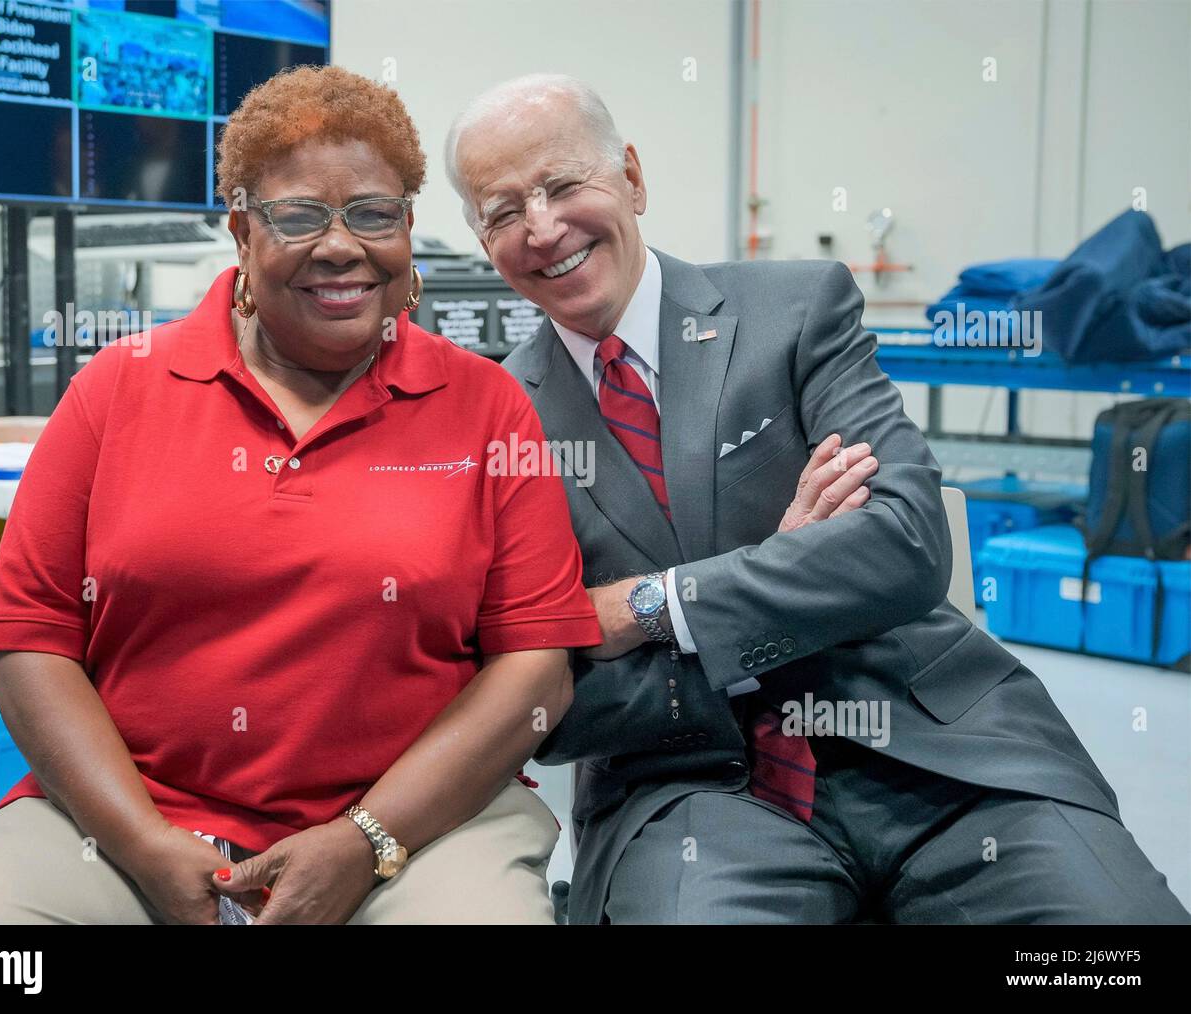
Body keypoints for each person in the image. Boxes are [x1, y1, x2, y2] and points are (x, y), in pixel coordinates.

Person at [444, 73, 1191, 924]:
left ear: (633, 178)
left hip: (936, 752)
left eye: (562, 184)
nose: (542, 228)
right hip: (686, 789)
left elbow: (905, 545)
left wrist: (651, 607)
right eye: (503, 212)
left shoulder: (796, 311)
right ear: (482, 239)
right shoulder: (496, 422)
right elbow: (545, 704)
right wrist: (792, 571)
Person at [0, 65, 607, 926]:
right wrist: (142, 844)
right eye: (298, 216)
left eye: (373, 213)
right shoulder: (118, 388)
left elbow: (536, 665)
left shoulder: (487, 406)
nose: (341, 246)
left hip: (419, 829)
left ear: (407, 228)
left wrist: (365, 840)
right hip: (126, 819)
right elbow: (27, 639)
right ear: (241, 230)